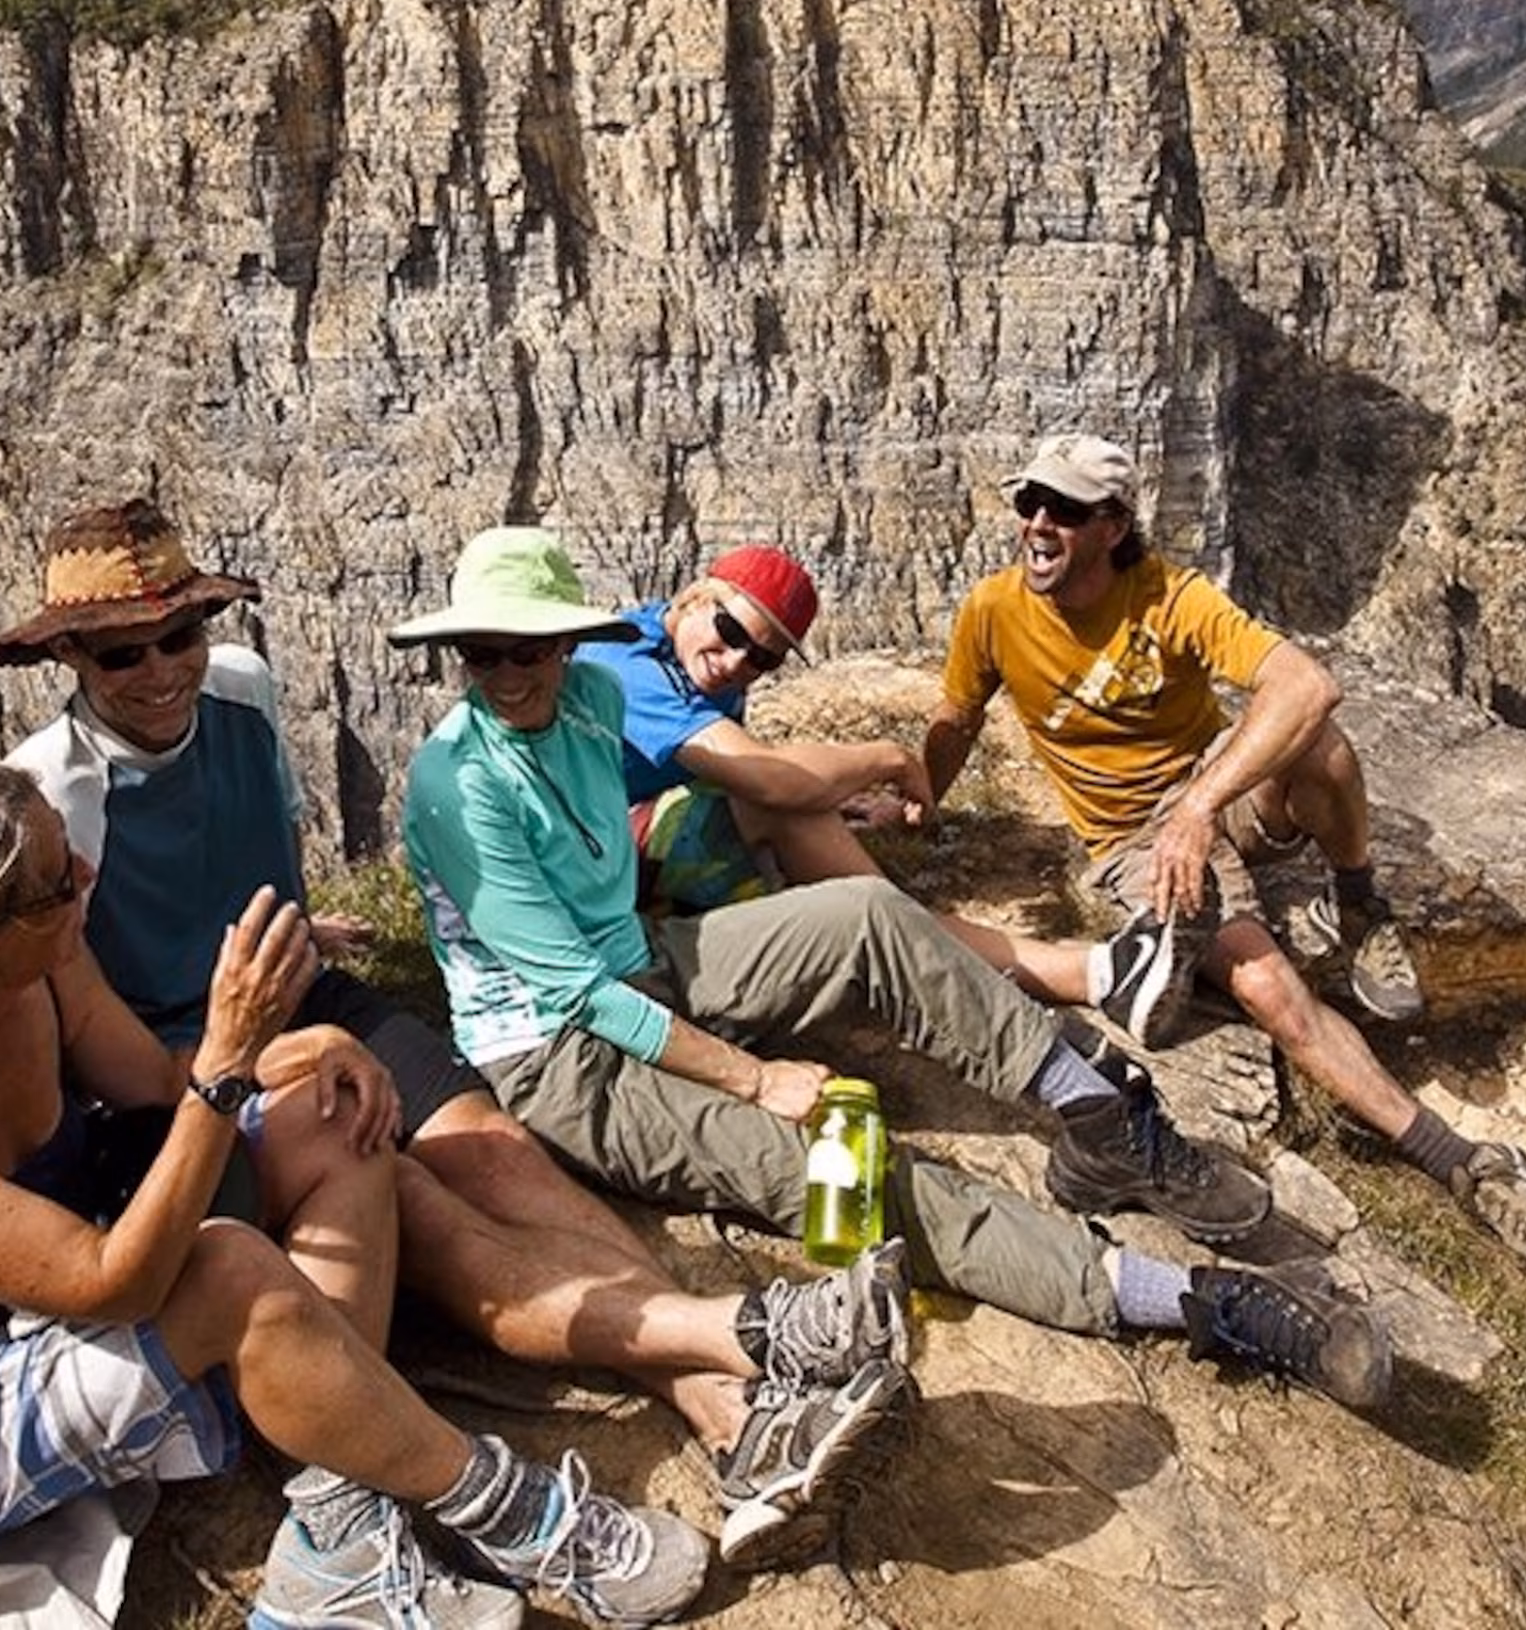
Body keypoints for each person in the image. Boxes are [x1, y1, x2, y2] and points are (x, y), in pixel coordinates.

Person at [0, 496, 912, 1576]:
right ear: (71, 664)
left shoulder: (247, 695)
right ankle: (725, 1381)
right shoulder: (47, 802)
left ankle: (721, 1405)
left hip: (289, 993)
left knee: (493, 1153)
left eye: (179, 634)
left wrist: (300, 973)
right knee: (423, 1204)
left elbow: (236, 866)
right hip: (181, 1051)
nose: (161, 669)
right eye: (119, 654)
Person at [392, 524, 1394, 1414]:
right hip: (565, 1051)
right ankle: (1189, 1301)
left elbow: (703, 819)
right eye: (481, 653)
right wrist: (755, 1076)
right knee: (849, 1170)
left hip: (645, 959)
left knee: (867, 913)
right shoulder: (454, 783)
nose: (506, 672)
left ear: (569, 642)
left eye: (527, 648)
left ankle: (1093, 1114)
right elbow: (577, 994)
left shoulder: (595, 696)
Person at [0, 759, 707, 1630]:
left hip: (50, 1284)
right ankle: (517, 1515)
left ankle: (338, 1528)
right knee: (229, 1272)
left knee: (338, 1121)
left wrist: (297, 1051)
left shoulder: (36, 970)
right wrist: (227, 1059)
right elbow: (112, 1283)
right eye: (57, 880)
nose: (86, 877)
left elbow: (161, 1090)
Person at [921, 433, 1526, 1278]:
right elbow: (959, 717)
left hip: (1210, 793)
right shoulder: (993, 611)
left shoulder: (1171, 598)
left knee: (1323, 746)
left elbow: (1306, 685)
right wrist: (920, 799)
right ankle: (1458, 1157)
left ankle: (1357, 902)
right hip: (1132, 837)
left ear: (1115, 526)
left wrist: (1199, 806)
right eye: (1030, 505)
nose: (1038, 525)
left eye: (1066, 511)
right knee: (1270, 985)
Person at [579, 542, 1198, 1037]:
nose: (737, 661)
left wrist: (835, 796)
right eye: (730, 630)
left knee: (797, 815)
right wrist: (889, 758)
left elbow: (724, 768)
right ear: (695, 596)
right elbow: (765, 775)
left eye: (763, 660)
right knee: (787, 813)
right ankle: (1072, 973)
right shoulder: (632, 669)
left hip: (614, 855)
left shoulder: (684, 650)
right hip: (591, 884)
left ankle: (1051, 969)